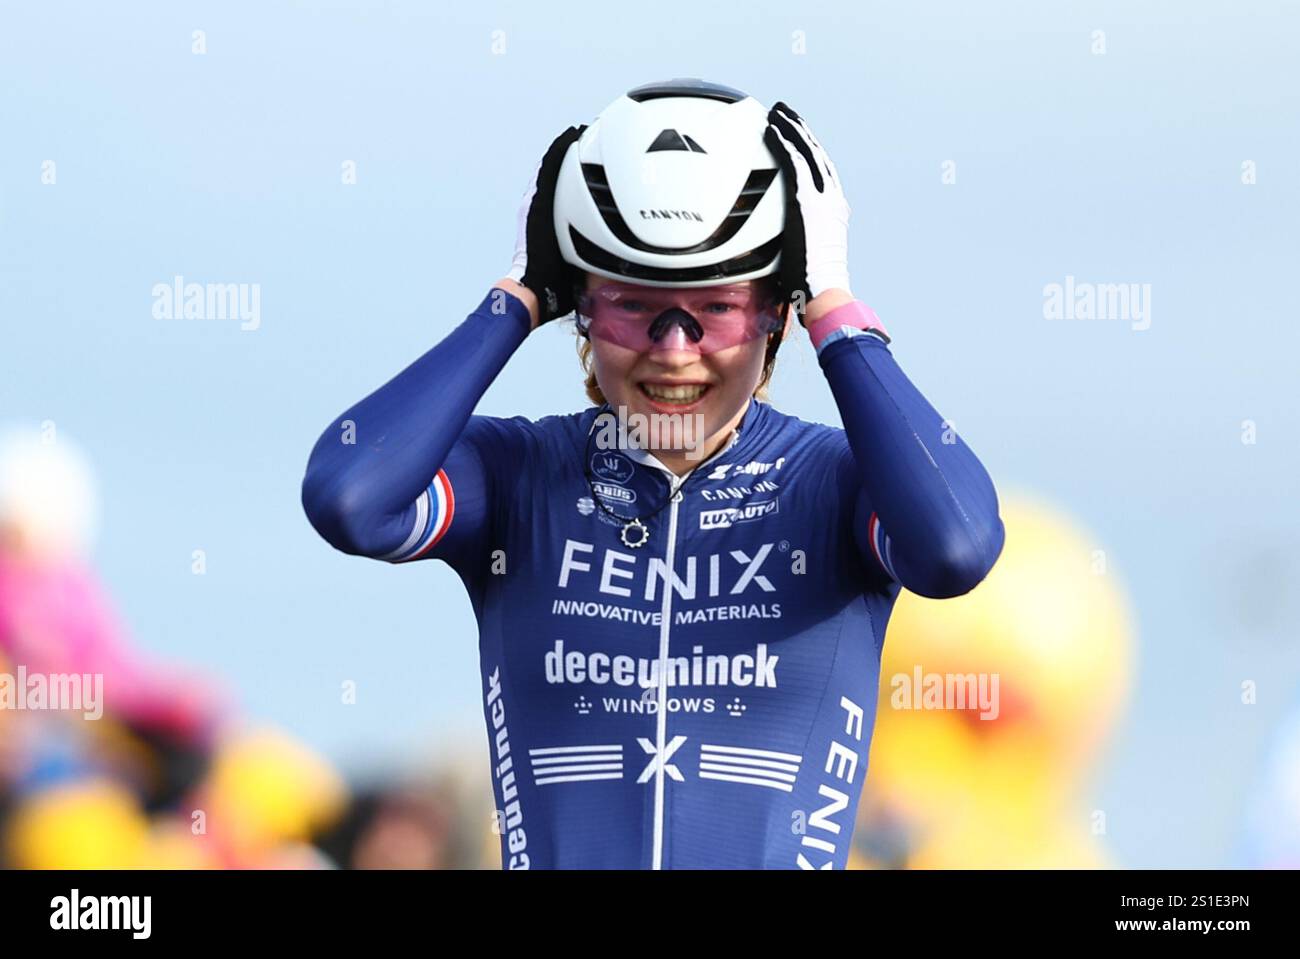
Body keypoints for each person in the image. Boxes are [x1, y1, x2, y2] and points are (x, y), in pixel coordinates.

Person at [301, 78, 1005, 869]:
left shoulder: (835, 483)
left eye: (717, 308)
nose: (675, 349)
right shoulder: (517, 475)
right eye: (635, 306)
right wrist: (518, 296)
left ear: (776, 312)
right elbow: (350, 496)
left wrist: (836, 309)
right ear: (583, 309)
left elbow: (956, 544)